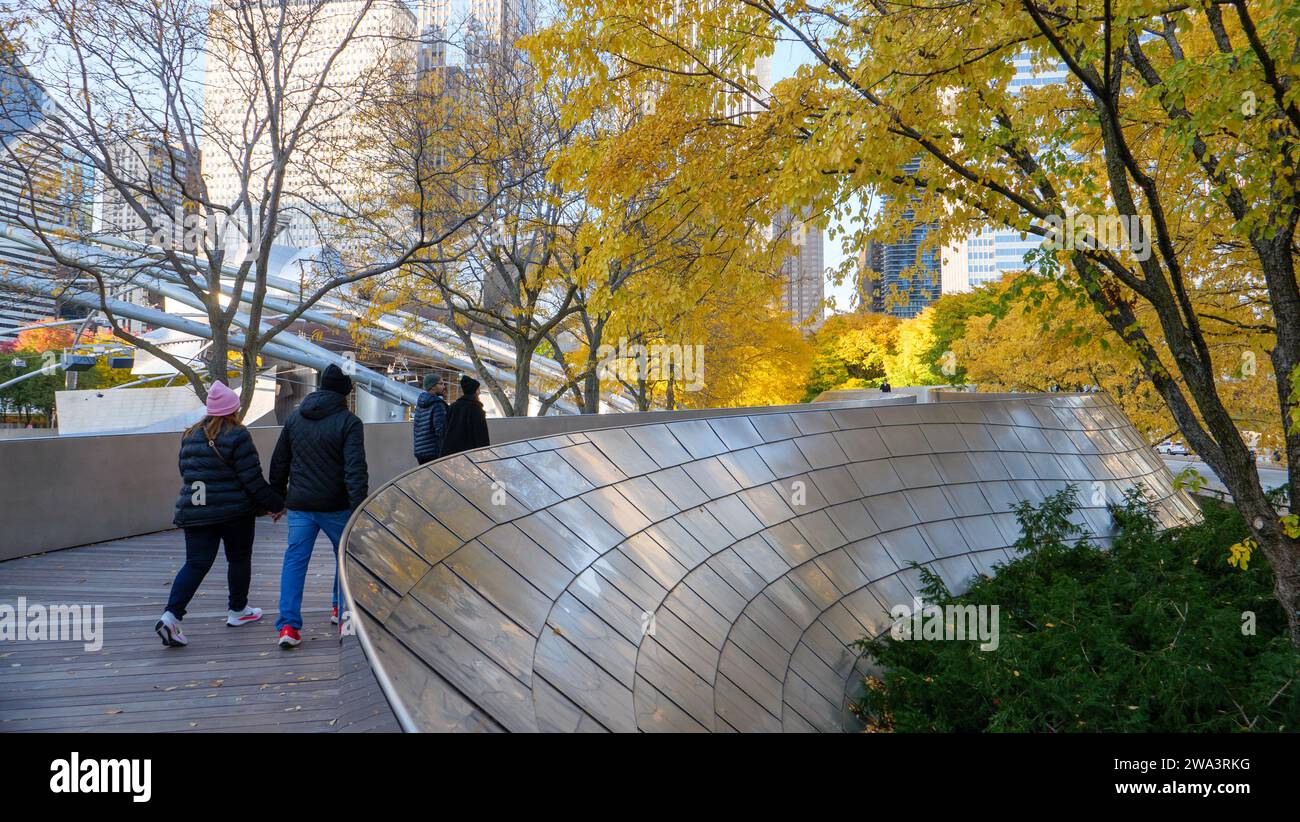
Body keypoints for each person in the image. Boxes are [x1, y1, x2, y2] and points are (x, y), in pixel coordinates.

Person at [156, 382, 284, 648]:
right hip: (233, 512)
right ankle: (238, 611)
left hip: (195, 510)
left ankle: (170, 616)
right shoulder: (238, 435)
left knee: (195, 564)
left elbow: (187, 473)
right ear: (234, 410)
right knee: (238, 559)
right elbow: (251, 478)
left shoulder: (190, 435)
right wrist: (275, 504)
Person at [269, 363, 368, 649]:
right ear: (343, 394)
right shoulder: (349, 423)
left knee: (295, 561)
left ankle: (288, 625)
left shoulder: (296, 418)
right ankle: (339, 609)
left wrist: (277, 499)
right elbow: (355, 470)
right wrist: (358, 505)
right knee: (344, 556)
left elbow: (279, 461)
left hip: (300, 503)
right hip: (335, 505)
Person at [439, 374, 490, 457]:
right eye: (478, 389)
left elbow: (445, 430)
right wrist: (484, 453)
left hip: (450, 453)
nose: (480, 392)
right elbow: (481, 435)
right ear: (474, 391)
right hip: (469, 454)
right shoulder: (476, 409)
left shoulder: (453, 407)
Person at [412, 373, 448, 465]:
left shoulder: (420, 403)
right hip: (434, 451)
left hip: (420, 451)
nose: (444, 386)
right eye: (441, 384)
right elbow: (441, 430)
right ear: (432, 386)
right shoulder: (437, 404)